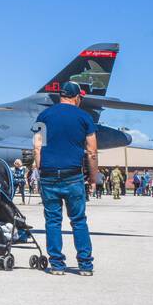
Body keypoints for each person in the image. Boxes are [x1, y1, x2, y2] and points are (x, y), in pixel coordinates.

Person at [33, 81, 98, 276]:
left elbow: (37, 146)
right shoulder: (85, 117)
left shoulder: (43, 116)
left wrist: (40, 170)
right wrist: (93, 177)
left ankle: (57, 265)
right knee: (78, 220)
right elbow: (92, 151)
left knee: (52, 221)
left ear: (61, 95)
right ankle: (85, 265)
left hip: (49, 175)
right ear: (77, 97)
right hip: (73, 176)